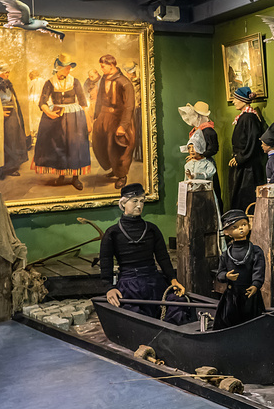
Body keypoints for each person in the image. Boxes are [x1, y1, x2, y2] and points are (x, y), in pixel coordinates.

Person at [101, 183, 188, 324]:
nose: (139, 205)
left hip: (153, 281)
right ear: (123, 203)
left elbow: (163, 257)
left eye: (142, 201)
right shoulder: (113, 233)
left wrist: (173, 279)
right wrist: (109, 288)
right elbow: (106, 263)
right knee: (133, 314)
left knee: (178, 304)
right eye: (134, 201)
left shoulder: (151, 230)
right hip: (129, 285)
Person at [32, 54, 90, 190]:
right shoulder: (49, 82)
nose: (69, 71)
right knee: (58, 146)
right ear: (59, 68)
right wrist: (49, 113)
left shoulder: (75, 81)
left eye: (69, 68)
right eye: (66, 68)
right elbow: (42, 102)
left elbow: (82, 102)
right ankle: (61, 175)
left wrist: (87, 121)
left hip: (74, 117)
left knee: (75, 146)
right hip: (56, 117)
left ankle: (76, 177)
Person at [214, 209, 265, 329]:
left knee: (252, 324)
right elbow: (219, 273)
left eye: (244, 224)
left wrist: (255, 285)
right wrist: (226, 276)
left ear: (249, 225)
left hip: (250, 294)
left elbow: (259, 269)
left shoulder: (255, 251)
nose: (241, 229)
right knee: (230, 324)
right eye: (235, 227)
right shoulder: (227, 254)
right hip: (232, 296)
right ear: (227, 232)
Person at [92, 54, 136, 190]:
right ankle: (113, 169)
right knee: (102, 145)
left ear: (111, 65)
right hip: (104, 117)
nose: (101, 69)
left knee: (118, 148)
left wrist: (123, 125)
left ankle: (122, 175)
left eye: (103, 66)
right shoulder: (104, 79)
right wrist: (96, 116)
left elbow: (129, 106)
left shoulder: (124, 82)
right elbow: (99, 99)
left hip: (119, 119)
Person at [0, 61, 29, 179]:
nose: (8, 75)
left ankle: (10, 167)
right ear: (0, 72)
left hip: (11, 115)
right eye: (6, 73)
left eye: (8, 73)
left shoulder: (7, 82)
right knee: (0, 141)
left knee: (12, 140)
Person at [178, 101, 222, 210]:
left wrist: (200, 155)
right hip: (196, 163)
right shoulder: (198, 130)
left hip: (205, 164)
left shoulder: (208, 131)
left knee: (210, 192)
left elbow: (213, 148)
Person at [229, 86, 266, 212]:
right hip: (244, 165)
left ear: (242, 100)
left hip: (249, 167)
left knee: (246, 196)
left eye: (235, 99)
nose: (233, 101)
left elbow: (253, 141)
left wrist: (240, 157)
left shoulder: (249, 118)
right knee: (240, 195)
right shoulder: (245, 117)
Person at [25, 68, 46, 143]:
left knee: (34, 118)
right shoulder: (43, 81)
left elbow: (27, 91)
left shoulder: (33, 82)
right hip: (42, 102)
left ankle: (35, 135)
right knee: (40, 117)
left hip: (34, 102)